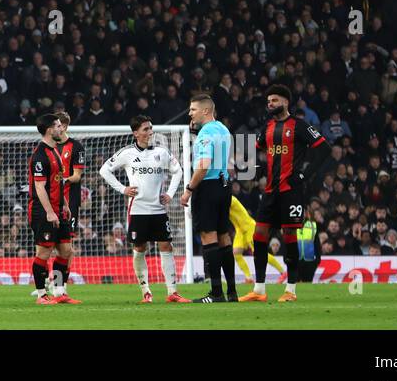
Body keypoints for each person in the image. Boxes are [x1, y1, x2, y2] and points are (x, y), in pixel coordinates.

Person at [241, 84, 330, 303]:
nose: (270, 104)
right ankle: (259, 290)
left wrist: (303, 175)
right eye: (268, 101)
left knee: (290, 238)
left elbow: (324, 148)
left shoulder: (299, 126)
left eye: (274, 101)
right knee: (258, 236)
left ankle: (291, 290)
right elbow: (260, 149)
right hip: (270, 191)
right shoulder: (268, 127)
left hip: (291, 192)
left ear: (285, 102)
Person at [99, 114, 189, 303]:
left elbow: (178, 170)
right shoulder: (127, 153)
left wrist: (171, 194)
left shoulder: (162, 152)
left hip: (158, 209)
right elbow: (104, 170)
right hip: (137, 210)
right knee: (140, 247)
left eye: (151, 128)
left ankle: (172, 292)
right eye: (146, 129)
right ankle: (146, 291)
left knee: (166, 245)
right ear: (135, 133)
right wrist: (123, 189)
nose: (150, 132)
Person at [180, 93, 237, 302]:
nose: (190, 113)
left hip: (208, 187)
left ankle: (215, 293)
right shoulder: (223, 129)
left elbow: (203, 166)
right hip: (224, 185)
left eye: (193, 109)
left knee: (208, 237)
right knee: (224, 237)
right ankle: (231, 292)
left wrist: (188, 190)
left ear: (205, 110)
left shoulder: (205, 134)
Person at [28, 113, 70, 305]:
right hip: (43, 211)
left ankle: (60, 292)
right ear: (49, 130)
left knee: (66, 250)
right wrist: (50, 212)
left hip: (58, 209)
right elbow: (39, 187)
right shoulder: (40, 155)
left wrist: (65, 205)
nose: (62, 128)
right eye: (58, 126)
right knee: (44, 253)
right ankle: (41, 295)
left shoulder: (54, 152)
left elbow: (57, 183)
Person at [52, 112, 85, 303]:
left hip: (69, 202)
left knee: (67, 248)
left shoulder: (76, 147)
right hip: (51, 202)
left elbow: (77, 175)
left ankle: (58, 286)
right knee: (50, 247)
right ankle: (53, 285)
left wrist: (61, 180)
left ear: (63, 126)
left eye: (56, 125)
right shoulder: (50, 147)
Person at [230, 196, 285, 284]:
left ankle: (283, 272)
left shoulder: (230, 199)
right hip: (240, 230)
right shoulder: (223, 199)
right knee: (236, 253)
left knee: (259, 253)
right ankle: (249, 278)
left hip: (248, 227)